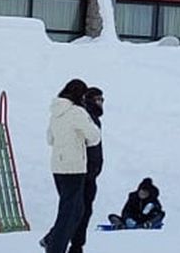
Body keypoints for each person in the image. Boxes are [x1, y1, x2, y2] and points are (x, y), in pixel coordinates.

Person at [41, 79, 102, 253]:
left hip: (58, 167)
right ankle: (55, 247)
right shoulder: (77, 112)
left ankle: (53, 242)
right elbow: (94, 136)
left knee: (74, 210)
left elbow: (50, 139)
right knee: (70, 213)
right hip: (74, 168)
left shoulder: (56, 112)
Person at [68, 87, 105, 253]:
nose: (101, 103)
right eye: (98, 99)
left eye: (102, 100)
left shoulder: (94, 119)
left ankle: (76, 246)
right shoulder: (85, 118)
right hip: (82, 173)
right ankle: (55, 239)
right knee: (76, 211)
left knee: (83, 211)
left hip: (90, 174)